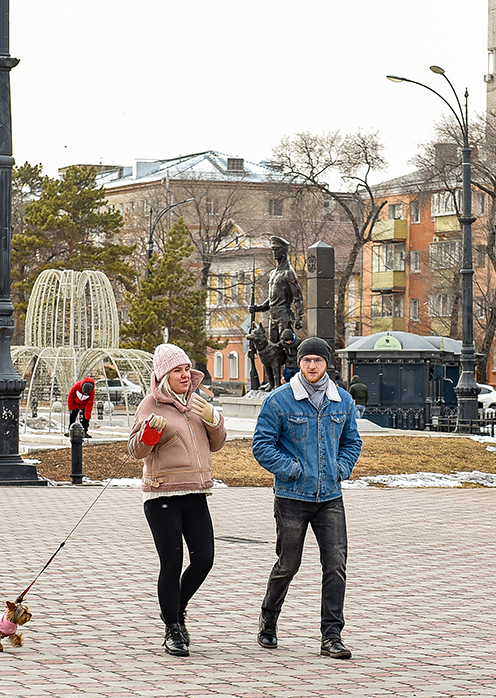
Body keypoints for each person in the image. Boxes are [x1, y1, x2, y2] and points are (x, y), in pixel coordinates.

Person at [252, 336, 363, 660]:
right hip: (291, 496)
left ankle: (332, 636)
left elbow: (351, 442)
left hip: (330, 497)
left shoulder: (342, 401)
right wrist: (293, 470)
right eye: (306, 361)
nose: (312, 366)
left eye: (317, 360)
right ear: (298, 363)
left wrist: (340, 468)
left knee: (336, 566)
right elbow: (262, 446)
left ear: (327, 363)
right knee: (288, 564)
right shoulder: (279, 401)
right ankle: (268, 621)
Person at [128, 344, 226, 657]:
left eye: (186, 369)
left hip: (196, 492)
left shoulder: (198, 402)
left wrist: (214, 419)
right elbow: (135, 450)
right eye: (177, 371)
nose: (184, 375)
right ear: (163, 376)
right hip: (162, 495)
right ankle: (172, 628)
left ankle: (177, 608)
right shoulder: (150, 405)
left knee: (204, 560)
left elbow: (218, 444)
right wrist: (149, 435)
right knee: (171, 563)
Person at [248, 236, 305, 344]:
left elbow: (298, 297)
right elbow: (273, 298)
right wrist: (259, 307)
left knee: (285, 345)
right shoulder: (273, 273)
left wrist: (299, 317)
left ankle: (292, 361)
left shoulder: (289, 272)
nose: (274, 252)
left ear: (283, 251)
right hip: (273, 315)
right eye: (272, 249)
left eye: (276, 249)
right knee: (273, 346)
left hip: (284, 315)